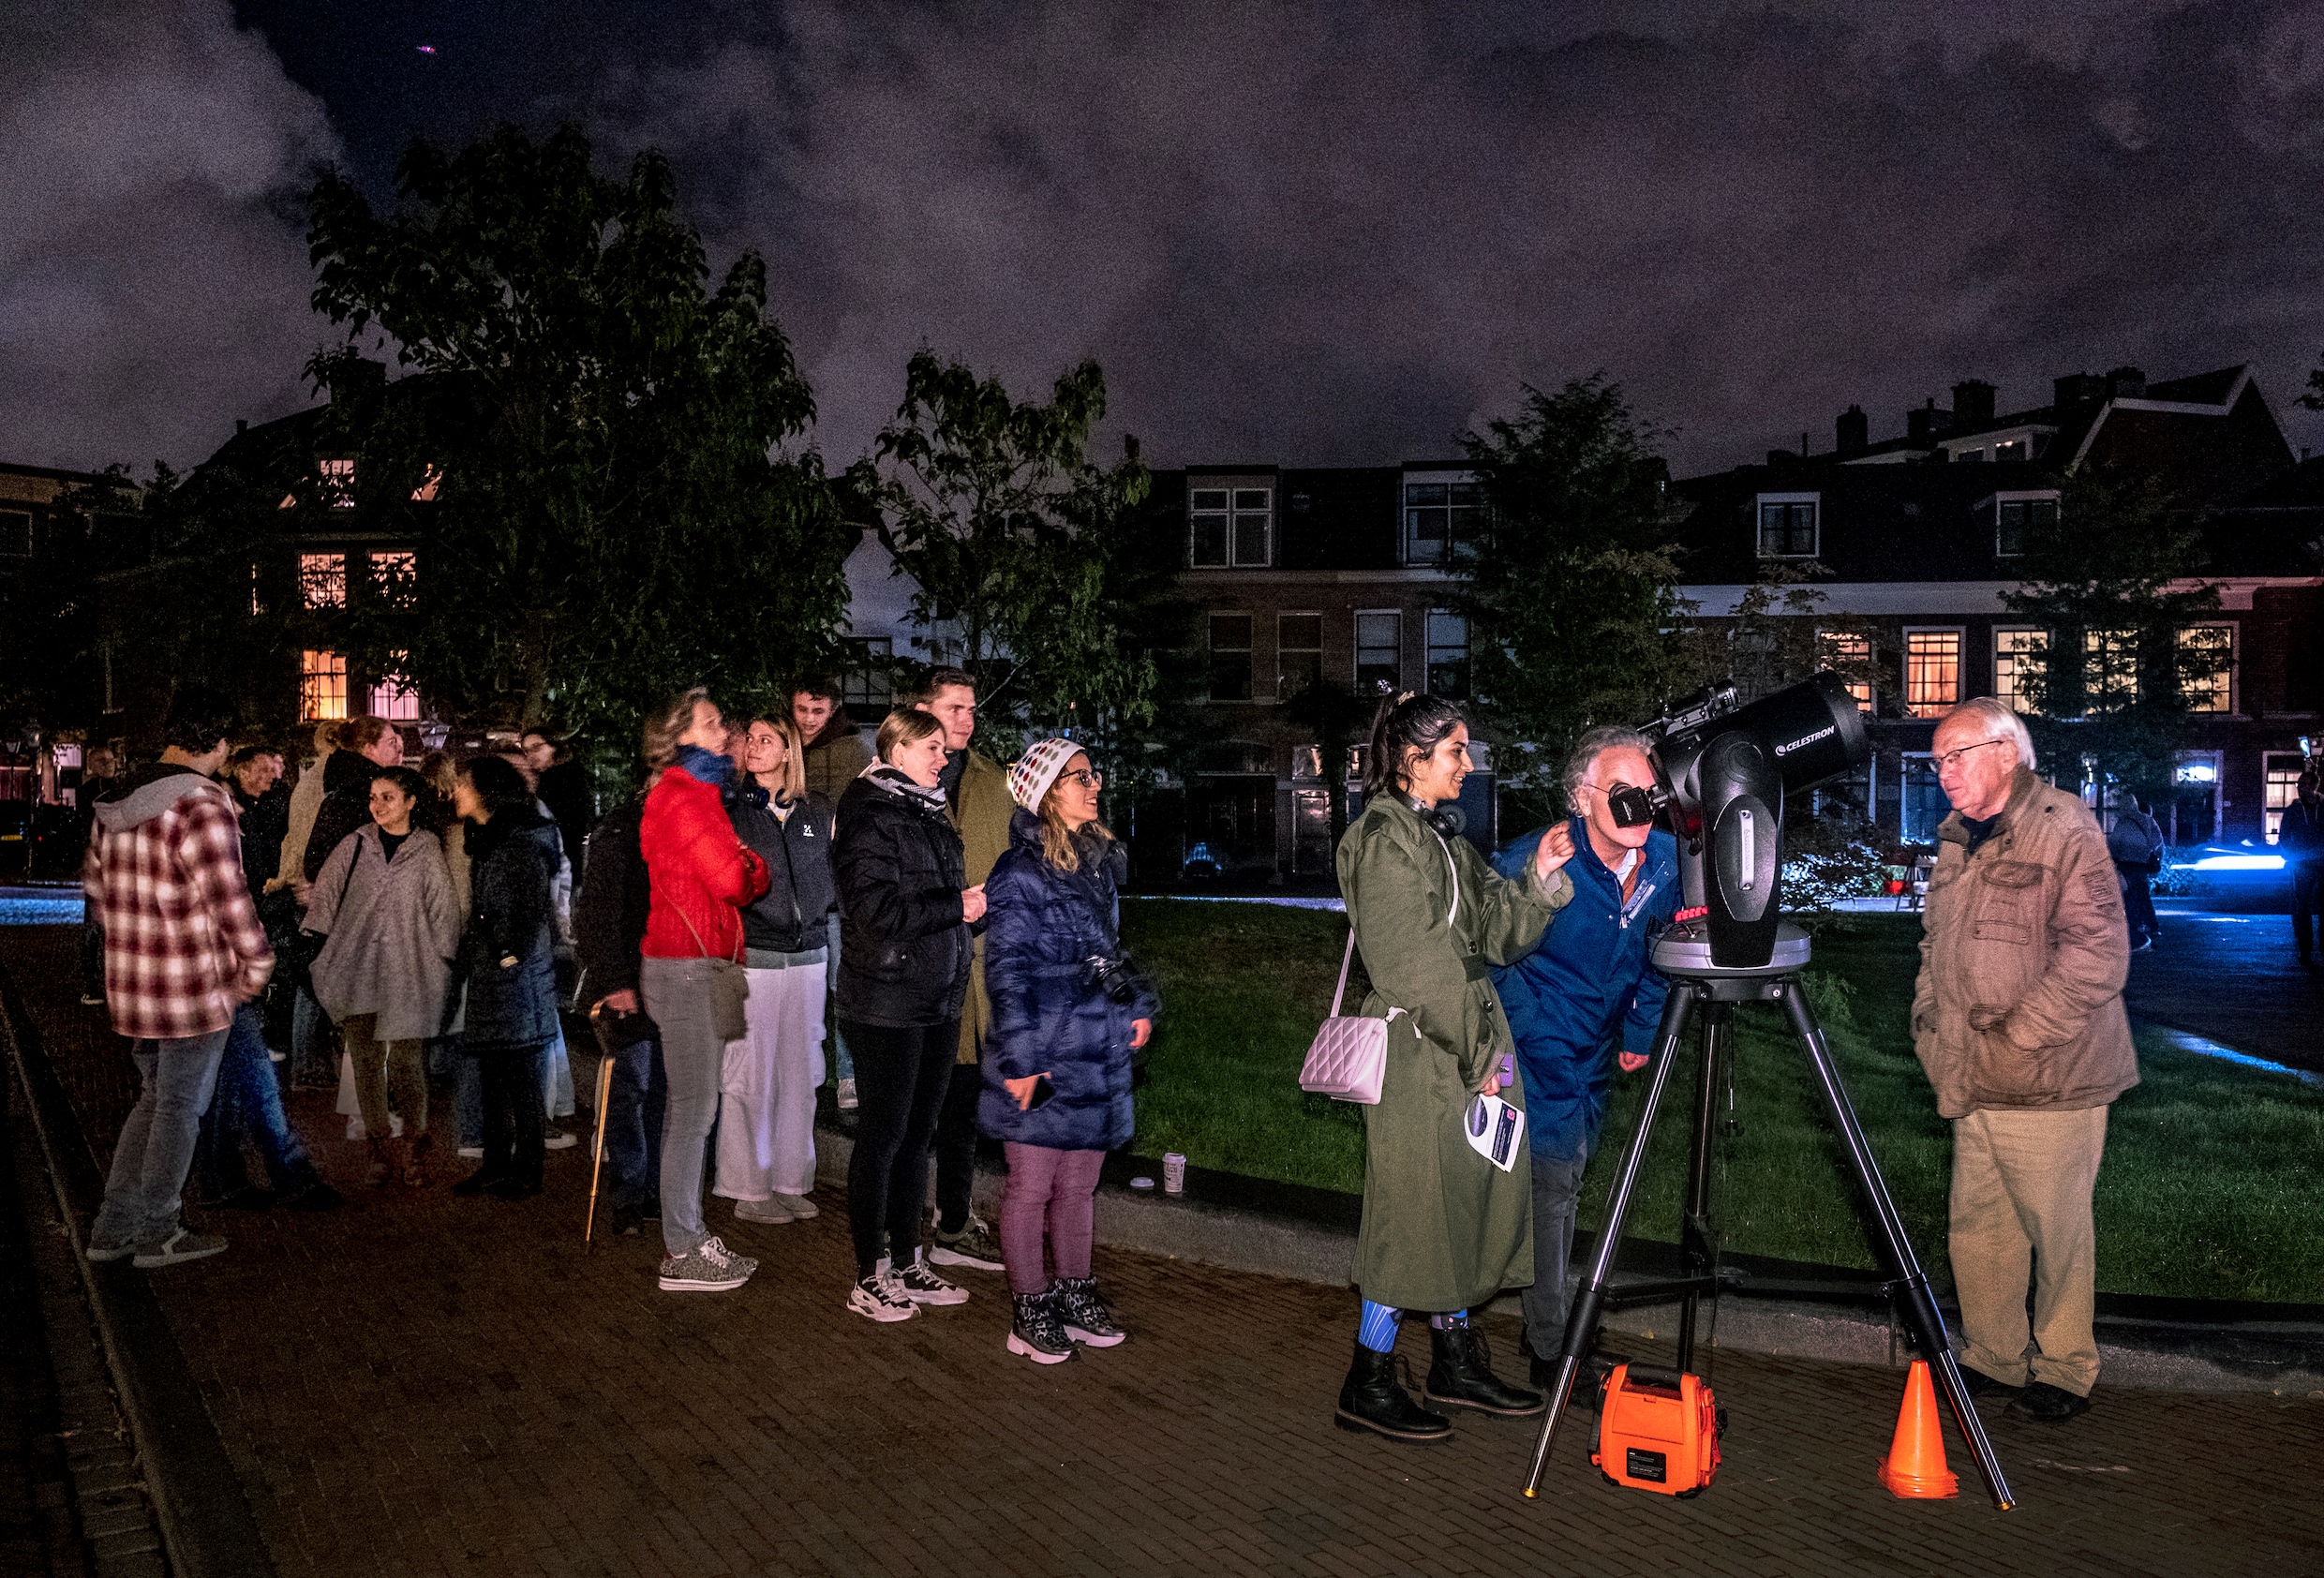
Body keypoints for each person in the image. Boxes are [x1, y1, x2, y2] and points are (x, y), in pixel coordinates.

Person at [1331, 692, 1572, 1440]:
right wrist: (1479, 1054)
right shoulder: (1383, 841)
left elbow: (1497, 933)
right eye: (1456, 750)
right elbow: (1414, 966)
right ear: (1413, 758)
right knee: (1410, 1212)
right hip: (1421, 1050)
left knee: (1461, 1198)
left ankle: (1453, 1361)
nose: (1468, 763)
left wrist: (1540, 877)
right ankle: (1368, 1379)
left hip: (1464, 1042)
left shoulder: (1438, 838)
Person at [1913, 697, 2137, 1425]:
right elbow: (1935, 944)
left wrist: (2016, 1037)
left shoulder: (2063, 826)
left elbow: (2098, 955)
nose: (1944, 772)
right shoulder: (1957, 838)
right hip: (1970, 1074)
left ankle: (2066, 1367)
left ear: (2007, 754)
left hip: (2050, 1080)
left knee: (2056, 1231)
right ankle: (1993, 1355)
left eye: (1957, 755)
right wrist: (1928, 1025)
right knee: (1980, 1229)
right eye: (1937, 760)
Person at [1489, 726, 1681, 1386]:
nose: (1641, 806)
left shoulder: (1664, 861)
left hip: (1597, 1050)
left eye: (1650, 792)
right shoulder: (1534, 861)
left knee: (1562, 1182)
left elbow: (1665, 949)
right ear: (1580, 798)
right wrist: (1534, 1032)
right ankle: (1554, 1349)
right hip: (1535, 1051)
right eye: (1622, 791)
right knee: (1553, 1183)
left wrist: (1641, 1032)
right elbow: (1485, 956)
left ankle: (1540, 1320)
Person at [979, 738, 1156, 1363]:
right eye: (1081, 776)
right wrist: (1024, 1061)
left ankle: (1075, 1294)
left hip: (1094, 1046)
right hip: (1045, 1050)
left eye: (1093, 774)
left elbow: (1108, 953)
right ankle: (1029, 1308)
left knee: (1080, 1184)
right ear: (1048, 792)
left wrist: (1136, 1004)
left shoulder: (1095, 863)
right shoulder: (1018, 872)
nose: (1095, 784)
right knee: (1032, 1185)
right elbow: (1006, 971)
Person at [82, 688, 273, 1268]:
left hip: (133, 983)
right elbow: (229, 898)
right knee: (179, 1108)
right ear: (220, 743)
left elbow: (96, 896)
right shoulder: (201, 804)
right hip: (191, 984)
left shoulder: (117, 801)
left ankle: (113, 1226)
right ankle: (158, 1229)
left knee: (154, 1100)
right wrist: (258, 962)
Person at [833, 707, 986, 1322]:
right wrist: (957, 906)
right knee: (883, 1139)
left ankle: (906, 1262)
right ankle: (869, 1275)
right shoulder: (870, 813)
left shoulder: (925, 812)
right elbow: (874, 913)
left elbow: (933, 906)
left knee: (916, 1138)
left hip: (933, 999)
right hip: (885, 1003)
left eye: (945, 750)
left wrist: (971, 911)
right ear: (897, 752)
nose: (944, 759)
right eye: (933, 748)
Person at [638, 689, 769, 1292]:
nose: (724, 732)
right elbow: (735, 880)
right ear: (681, 735)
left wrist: (745, 864)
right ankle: (683, 1248)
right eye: (712, 723)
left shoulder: (692, 793)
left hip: (687, 964)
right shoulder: (687, 798)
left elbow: (735, 872)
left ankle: (687, 1237)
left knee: (691, 1111)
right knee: (693, 1113)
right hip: (688, 967)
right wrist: (751, 863)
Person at [192, 746, 337, 1214]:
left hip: (209, 974)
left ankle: (223, 1176)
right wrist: (256, 962)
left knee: (230, 1081)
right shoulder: (218, 837)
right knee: (253, 1077)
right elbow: (236, 903)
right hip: (224, 973)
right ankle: (288, 1172)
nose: (239, 811)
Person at [306, 766, 459, 1188]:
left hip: (408, 971)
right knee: (367, 1061)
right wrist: (317, 945)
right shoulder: (355, 843)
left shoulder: (426, 848)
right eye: (374, 797)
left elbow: (443, 909)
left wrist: (444, 960)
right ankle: (377, 1142)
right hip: (356, 968)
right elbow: (325, 895)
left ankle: (416, 1141)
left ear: (411, 802)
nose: (377, 805)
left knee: (408, 1061)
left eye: (388, 797)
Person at [717, 715, 836, 1224]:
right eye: (750, 738)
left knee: (801, 1073)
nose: (754, 746)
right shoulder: (731, 811)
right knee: (750, 1074)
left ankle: (790, 1180)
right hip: (756, 956)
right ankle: (747, 1187)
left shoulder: (817, 810)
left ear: (789, 751)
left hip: (810, 956)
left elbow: (833, 876)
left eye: (767, 739)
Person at [917, 668, 1015, 1274]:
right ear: (923, 709)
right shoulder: (896, 783)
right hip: (917, 971)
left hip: (978, 975)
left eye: (972, 709)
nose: (966, 720)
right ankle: (902, 1236)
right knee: (911, 1110)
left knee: (962, 1104)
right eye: (954, 707)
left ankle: (952, 1221)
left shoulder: (992, 782)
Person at [449, 755, 565, 1201]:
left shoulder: (515, 844)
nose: (455, 792)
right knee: (494, 1073)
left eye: (463, 784)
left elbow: (522, 914)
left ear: (486, 791)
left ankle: (526, 1169)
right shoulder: (488, 838)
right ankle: (496, 1164)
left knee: (519, 1074)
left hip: (514, 976)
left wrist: (504, 953)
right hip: (496, 971)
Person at [574, 784, 665, 1237]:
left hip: (669, 975)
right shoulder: (621, 828)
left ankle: (655, 1189)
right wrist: (614, 981)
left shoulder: (686, 821)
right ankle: (630, 1192)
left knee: (663, 1092)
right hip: (631, 976)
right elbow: (596, 912)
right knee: (629, 1089)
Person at [796, 677, 871, 1109]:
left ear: (833, 710)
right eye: (802, 710)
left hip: (839, 890)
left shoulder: (851, 752)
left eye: (818, 711)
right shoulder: (788, 748)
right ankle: (805, 1070)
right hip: (799, 890)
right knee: (805, 986)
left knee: (842, 983)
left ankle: (848, 1074)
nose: (809, 720)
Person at [301, 716, 409, 882]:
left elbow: (313, 864)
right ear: (370, 749)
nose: (397, 750)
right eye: (391, 742)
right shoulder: (379, 797)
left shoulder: (335, 795)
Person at [76, 744, 122, 1005]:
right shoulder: (88, 792)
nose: (109, 764)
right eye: (102, 761)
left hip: (118, 866)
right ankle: (92, 983)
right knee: (93, 926)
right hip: (99, 865)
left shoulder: (123, 788)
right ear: (93, 766)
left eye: (111, 759)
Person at [2105, 791, 2164, 952]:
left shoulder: (2123, 823)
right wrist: (2151, 854)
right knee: (2143, 894)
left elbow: (2114, 844)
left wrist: (2113, 858)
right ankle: (2152, 925)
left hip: (2126, 864)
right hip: (2142, 864)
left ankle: (2135, 927)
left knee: (2129, 896)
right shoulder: (2147, 820)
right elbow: (2158, 840)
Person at [2282, 771, 2324, 967]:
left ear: (2315, 786)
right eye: (2299, 785)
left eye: (2304, 784)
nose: (2300, 788)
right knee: (2303, 906)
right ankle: (2305, 949)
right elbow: (2283, 835)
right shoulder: (2293, 810)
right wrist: (2291, 853)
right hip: (2302, 864)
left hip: (2321, 862)